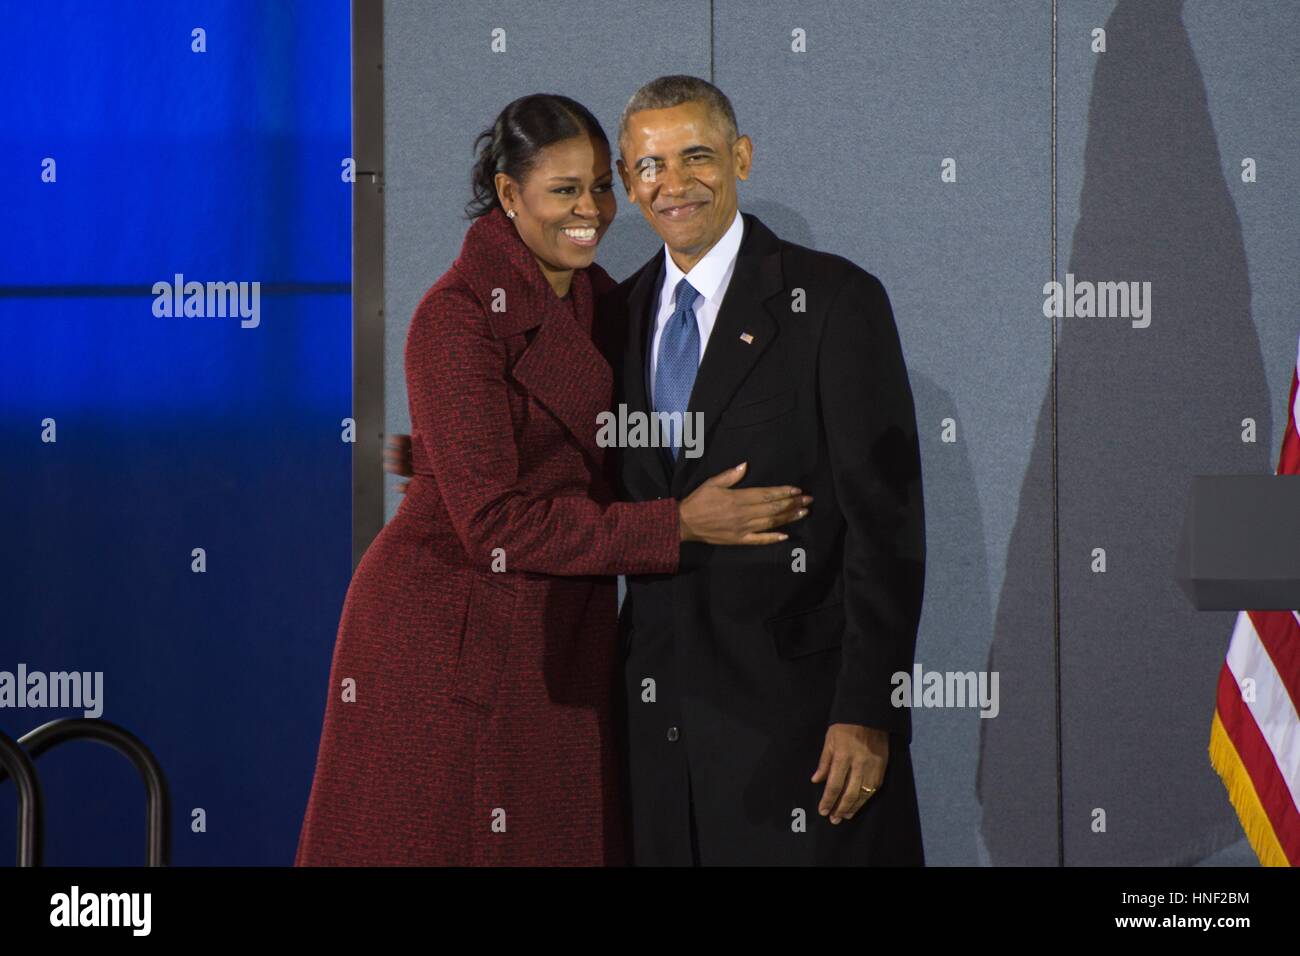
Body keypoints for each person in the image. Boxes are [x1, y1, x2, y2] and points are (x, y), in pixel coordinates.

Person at [294, 93, 809, 866]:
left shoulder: (604, 298)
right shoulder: (456, 317)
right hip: (451, 637)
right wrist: (676, 523)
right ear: (509, 195)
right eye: (564, 189)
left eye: (602, 185)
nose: (593, 210)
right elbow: (496, 523)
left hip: (556, 624)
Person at [603, 75, 927, 865]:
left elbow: (886, 528)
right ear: (625, 181)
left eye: (697, 157)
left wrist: (869, 711)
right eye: (648, 167)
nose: (672, 185)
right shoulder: (610, 318)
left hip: (803, 732)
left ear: (741, 158)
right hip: (657, 739)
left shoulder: (834, 300)